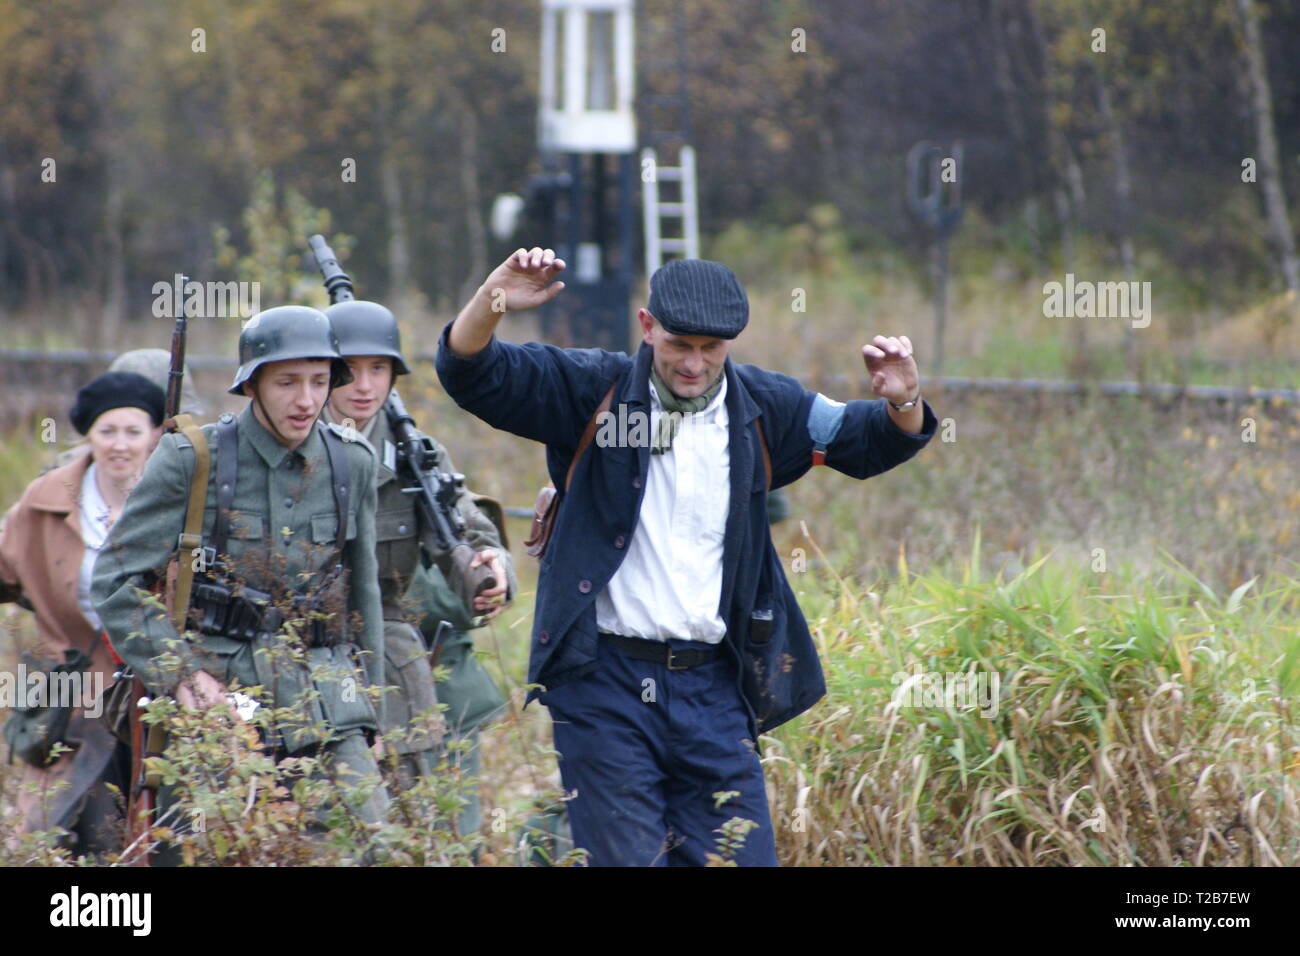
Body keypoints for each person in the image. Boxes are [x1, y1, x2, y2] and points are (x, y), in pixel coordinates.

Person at [437, 249, 938, 866]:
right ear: (647, 328)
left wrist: (902, 402)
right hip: (605, 684)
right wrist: (492, 298)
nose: (695, 364)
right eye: (679, 345)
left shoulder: (763, 409)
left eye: (712, 348)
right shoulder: (592, 392)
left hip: (713, 687)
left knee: (742, 857)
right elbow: (472, 373)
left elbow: (864, 440)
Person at [91, 306, 389, 862]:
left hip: (326, 697)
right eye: (287, 382)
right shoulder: (191, 459)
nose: (306, 400)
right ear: (251, 383)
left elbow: (364, 597)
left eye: (320, 382)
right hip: (219, 695)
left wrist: (374, 713)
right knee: (209, 848)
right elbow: (115, 581)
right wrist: (181, 676)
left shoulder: (353, 463)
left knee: (371, 844)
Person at [322, 300, 513, 834]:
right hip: (304, 651)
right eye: (348, 370)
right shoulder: (292, 441)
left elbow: (468, 532)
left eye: (378, 370)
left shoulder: (415, 454)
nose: (364, 386)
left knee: (431, 822)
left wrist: (489, 569)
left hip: (394, 654)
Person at [1, 371, 166, 855]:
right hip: (75, 693)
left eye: (133, 432)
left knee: (163, 826)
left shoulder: (178, 496)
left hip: (157, 686)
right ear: (87, 436)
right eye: (107, 431)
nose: (120, 445)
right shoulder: (47, 499)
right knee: (69, 831)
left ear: (155, 434)